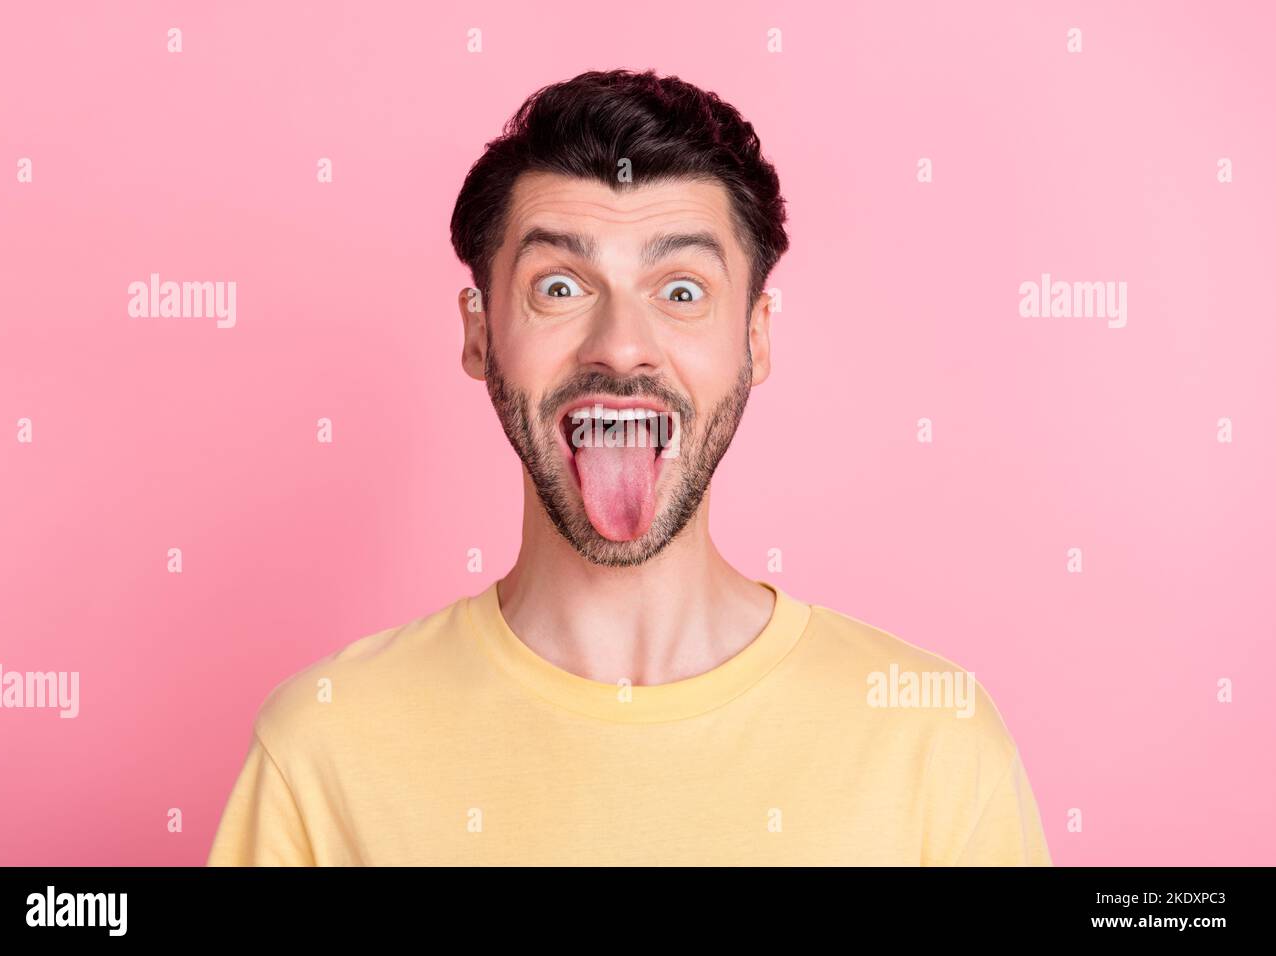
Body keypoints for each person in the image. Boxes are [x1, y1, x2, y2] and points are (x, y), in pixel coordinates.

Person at [208, 68, 1051, 866]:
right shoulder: (322, 749)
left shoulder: (936, 745)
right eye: (560, 287)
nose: (620, 347)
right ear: (478, 332)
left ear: (755, 338)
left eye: (681, 290)